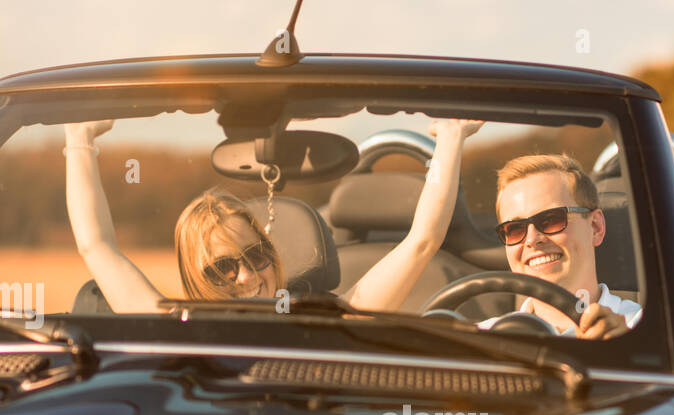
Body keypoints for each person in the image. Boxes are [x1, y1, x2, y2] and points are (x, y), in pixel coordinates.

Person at [63, 118, 482, 313]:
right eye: (223, 269)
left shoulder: (328, 319)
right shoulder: (175, 326)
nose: (246, 276)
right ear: (195, 278)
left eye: (255, 255)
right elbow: (95, 246)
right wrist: (79, 139)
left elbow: (421, 242)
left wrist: (450, 139)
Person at [480, 152, 642, 338]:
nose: (532, 239)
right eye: (515, 229)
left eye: (551, 220)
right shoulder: (482, 340)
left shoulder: (647, 332)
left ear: (595, 227)